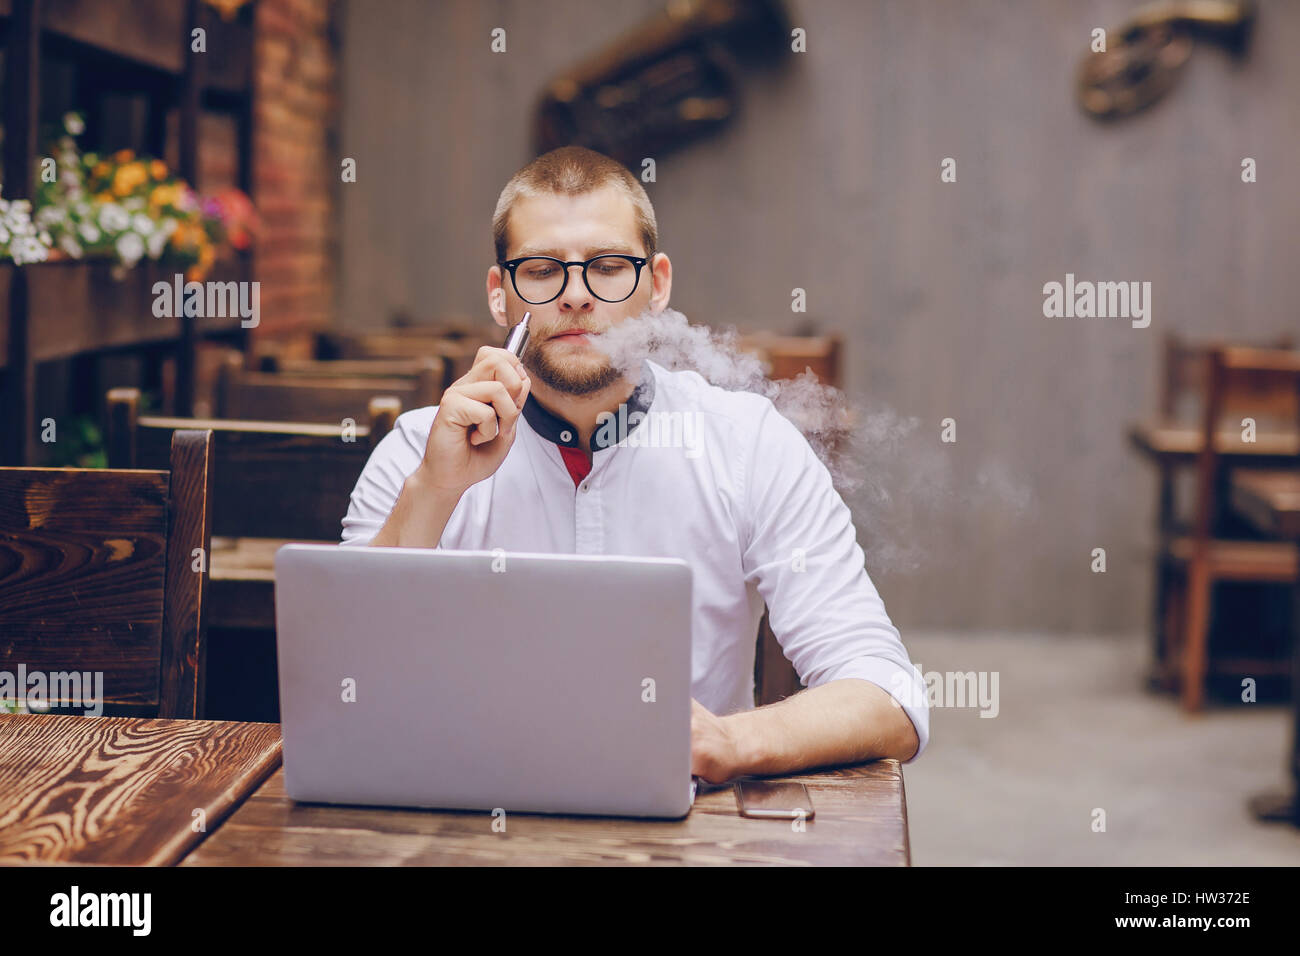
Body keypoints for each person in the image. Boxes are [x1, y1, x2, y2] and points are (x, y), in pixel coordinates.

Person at [341, 145, 928, 782]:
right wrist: (435, 489)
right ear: (499, 294)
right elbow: (341, 685)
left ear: (657, 286)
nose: (575, 296)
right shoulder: (417, 453)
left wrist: (731, 741)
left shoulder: (748, 444)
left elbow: (889, 697)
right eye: (541, 270)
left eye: (609, 266)